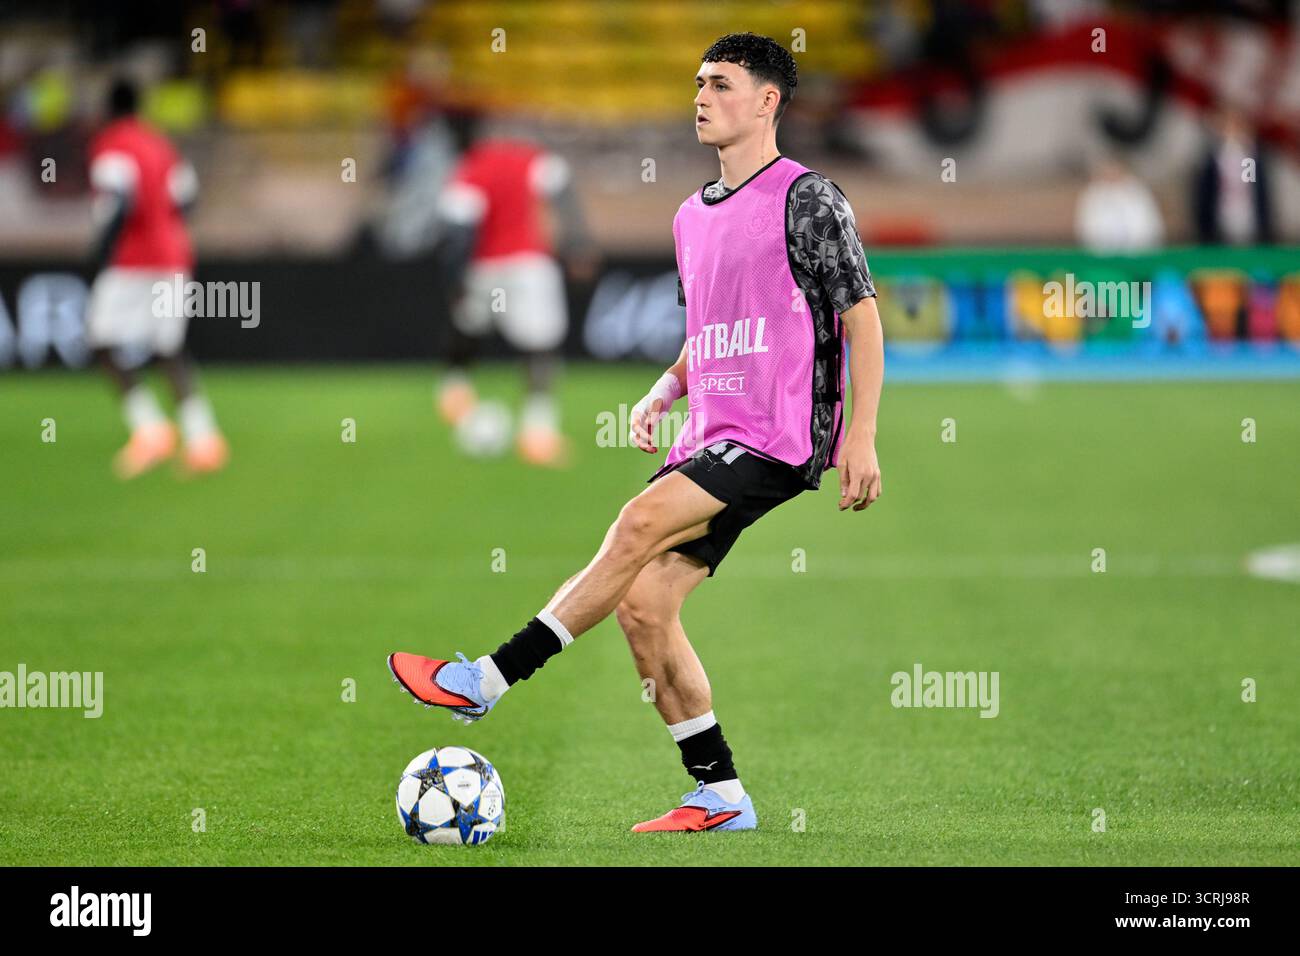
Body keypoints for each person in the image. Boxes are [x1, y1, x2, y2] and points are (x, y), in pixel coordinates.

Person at [390, 33, 884, 832]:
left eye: (721, 84)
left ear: (768, 101)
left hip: (780, 434)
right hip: (713, 430)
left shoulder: (808, 198)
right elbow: (714, 329)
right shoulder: (693, 214)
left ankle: (487, 677)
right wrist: (665, 388)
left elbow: (861, 315)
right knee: (646, 607)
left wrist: (859, 435)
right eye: (697, 82)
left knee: (636, 523)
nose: (701, 96)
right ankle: (720, 794)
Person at [434, 111, 597, 467]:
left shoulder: (470, 169)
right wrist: (579, 241)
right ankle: (537, 432)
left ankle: (454, 387)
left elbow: (459, 232)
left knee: (467, 326)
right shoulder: (530, 158)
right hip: (528, 266)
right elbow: (563, 191)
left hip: (484, 266)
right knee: (540, 347)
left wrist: (455, 280)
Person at [86, 78, 227, 478]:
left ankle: (149, 429)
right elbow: (187, 199)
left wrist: (101, 250)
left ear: (107, 108)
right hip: (174, 257)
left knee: (101, 340)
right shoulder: (161, 144)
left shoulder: (112, 143)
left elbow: (117, 199)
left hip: (134, 261)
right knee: (168, 348)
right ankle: (204, 440)